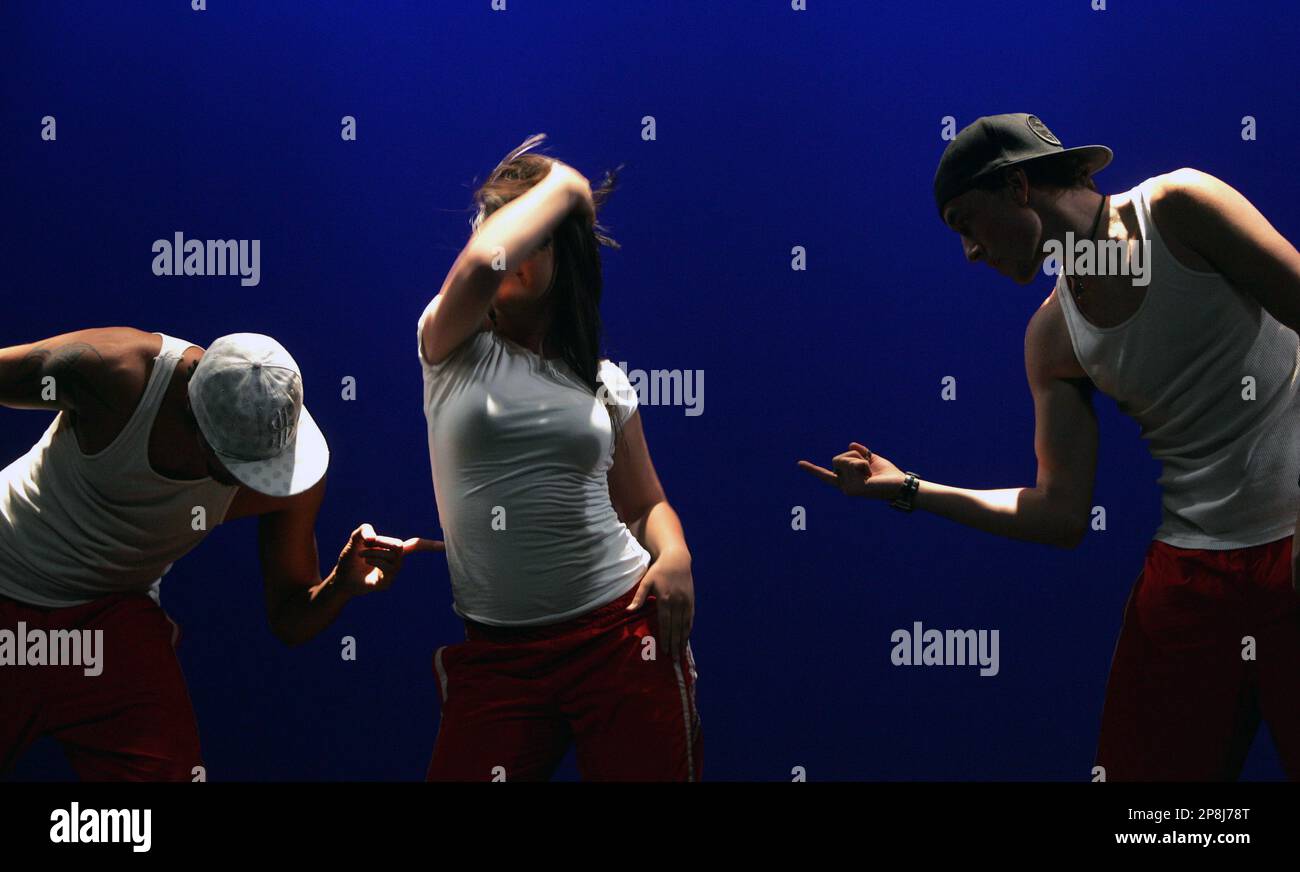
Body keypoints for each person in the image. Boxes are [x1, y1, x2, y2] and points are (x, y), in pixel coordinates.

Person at [799, 113, 1300, 781]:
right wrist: (911, 490)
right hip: (1193, 572)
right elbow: (1061, 514)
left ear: (1016, 188)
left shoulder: (1179, 209)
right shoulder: (1052, 338)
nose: (969, 251)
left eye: (964, 222)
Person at [0, 328, 436, 780]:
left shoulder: (292, 474)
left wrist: (340, 586)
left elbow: (289, 618)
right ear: (189, 409)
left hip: (113, 615)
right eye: (231, 462)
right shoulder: (115, 372)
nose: (248, 477)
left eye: (260, 465)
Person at [417, 134, 701, 781]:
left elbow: (645, 503)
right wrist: (569, 187)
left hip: (619, 634)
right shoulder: (451, 342)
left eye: (529, 237)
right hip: (498, 660)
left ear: (562, 254)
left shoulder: (601, 381)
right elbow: (478, 266)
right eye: (496, 229)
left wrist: (676, 555)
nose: (505, 248)